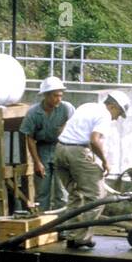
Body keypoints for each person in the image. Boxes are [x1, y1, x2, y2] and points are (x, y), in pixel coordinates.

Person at [53, 90, 130, 249]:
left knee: (75, 195)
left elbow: (64, 128)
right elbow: (94, 140)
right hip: (78, 153)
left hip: (60, 149)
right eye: (119, 113)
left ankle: (71, 235)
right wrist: (104, 161)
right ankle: (82, 238)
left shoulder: (86, 106)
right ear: (113, 106)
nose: (116, 118)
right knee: (97, 197)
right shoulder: (105, 115)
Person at [19, 76, 75, 211]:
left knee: (61, 192)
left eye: (61, 95)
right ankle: (42, 225)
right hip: (42, 150)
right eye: (55, 96)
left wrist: (65, 129)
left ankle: (62, 227)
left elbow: (76, 125)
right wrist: (37, 162)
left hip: (61, 149)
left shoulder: (66, 108)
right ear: (46, 95)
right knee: (42, 192)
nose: (59, 99)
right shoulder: (33, 113)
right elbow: (30, 138)